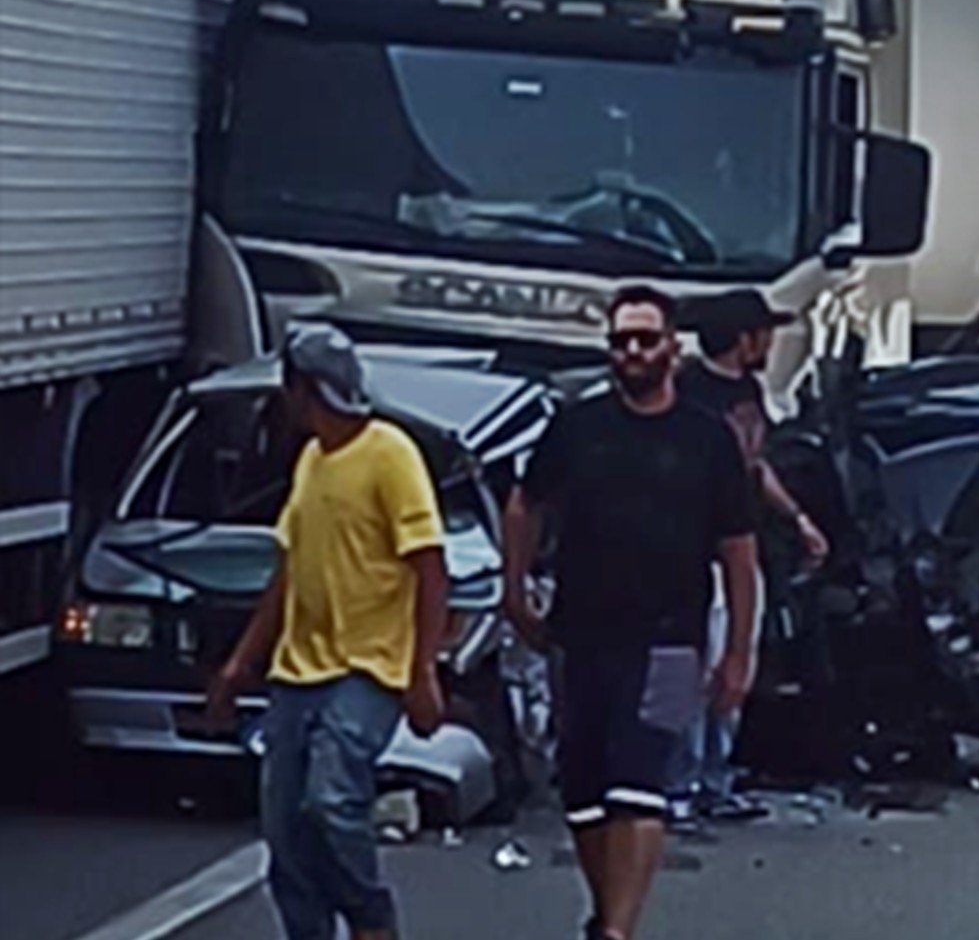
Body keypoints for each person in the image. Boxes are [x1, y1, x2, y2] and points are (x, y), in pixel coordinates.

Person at [502, 285, 760, 940]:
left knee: (640, 782)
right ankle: (607, 917)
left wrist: (738, 652)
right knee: (585, 794)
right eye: (621, 341)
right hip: (580, 636)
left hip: (670, 640)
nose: (634, 352)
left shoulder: (706, 439)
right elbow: (525, 504)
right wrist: (514, 590)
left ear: (672, 346)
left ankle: (617, 933)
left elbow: (738, 548)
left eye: (646, 338)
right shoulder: (577, 427)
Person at [209, 324, 450, 940]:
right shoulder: (312, 461)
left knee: (332, 799)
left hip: (368, 667)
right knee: (285, 826)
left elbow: (429, 566)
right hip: (298, 670)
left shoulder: (389, 454)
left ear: (304, 391)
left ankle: (371, 918)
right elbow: (288, 571)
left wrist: (424, 670)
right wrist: (241, 665)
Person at [669, 289, 830, 826]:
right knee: (701, 665)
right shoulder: (688, 391)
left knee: (738, 661)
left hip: (743, 544)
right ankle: (682, 782)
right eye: (765, 332)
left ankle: (715, 778)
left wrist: (797, 518)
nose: (771, 341)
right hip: (697, 550)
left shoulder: (747, 390)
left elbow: (756, 466)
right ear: (744, 338)